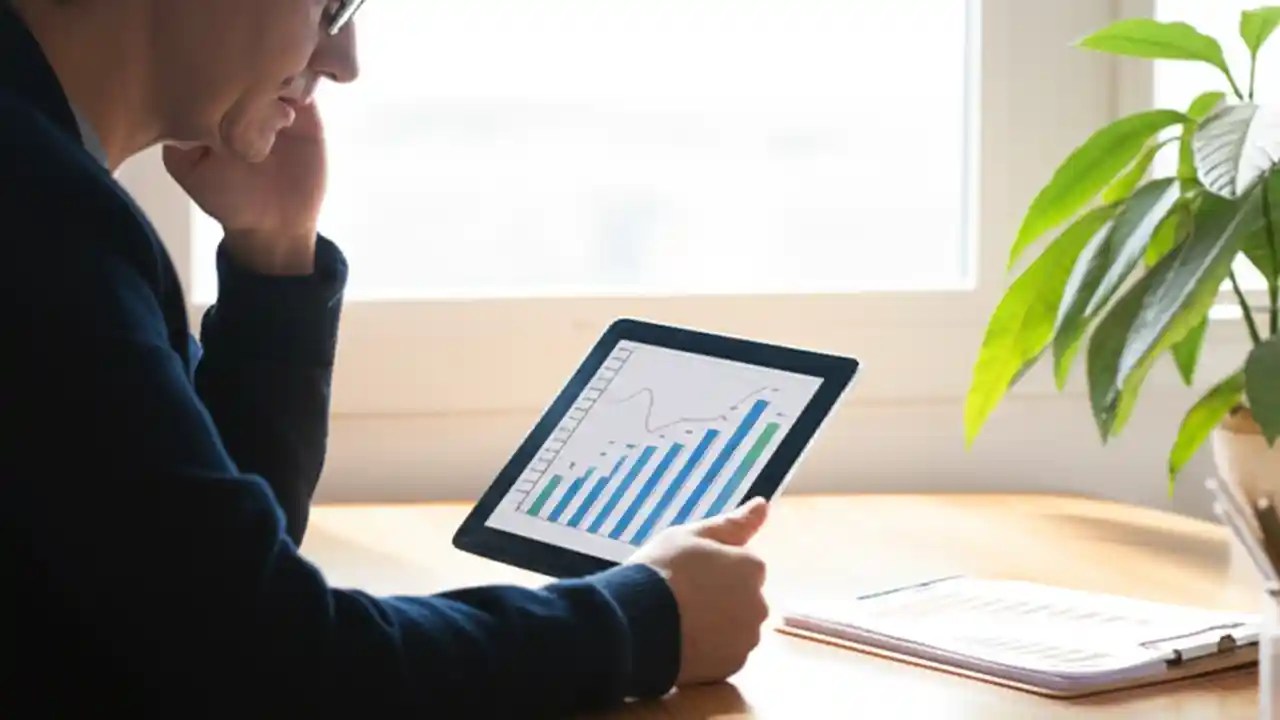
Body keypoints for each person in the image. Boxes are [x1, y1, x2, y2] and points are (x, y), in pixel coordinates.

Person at [0, 0, 772, 716]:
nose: (341, 60)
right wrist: (642, 621)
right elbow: (264, 659)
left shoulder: (47, 183)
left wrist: (275, 255)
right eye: (328, 3)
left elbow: (185, 588)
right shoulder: (41, 217)